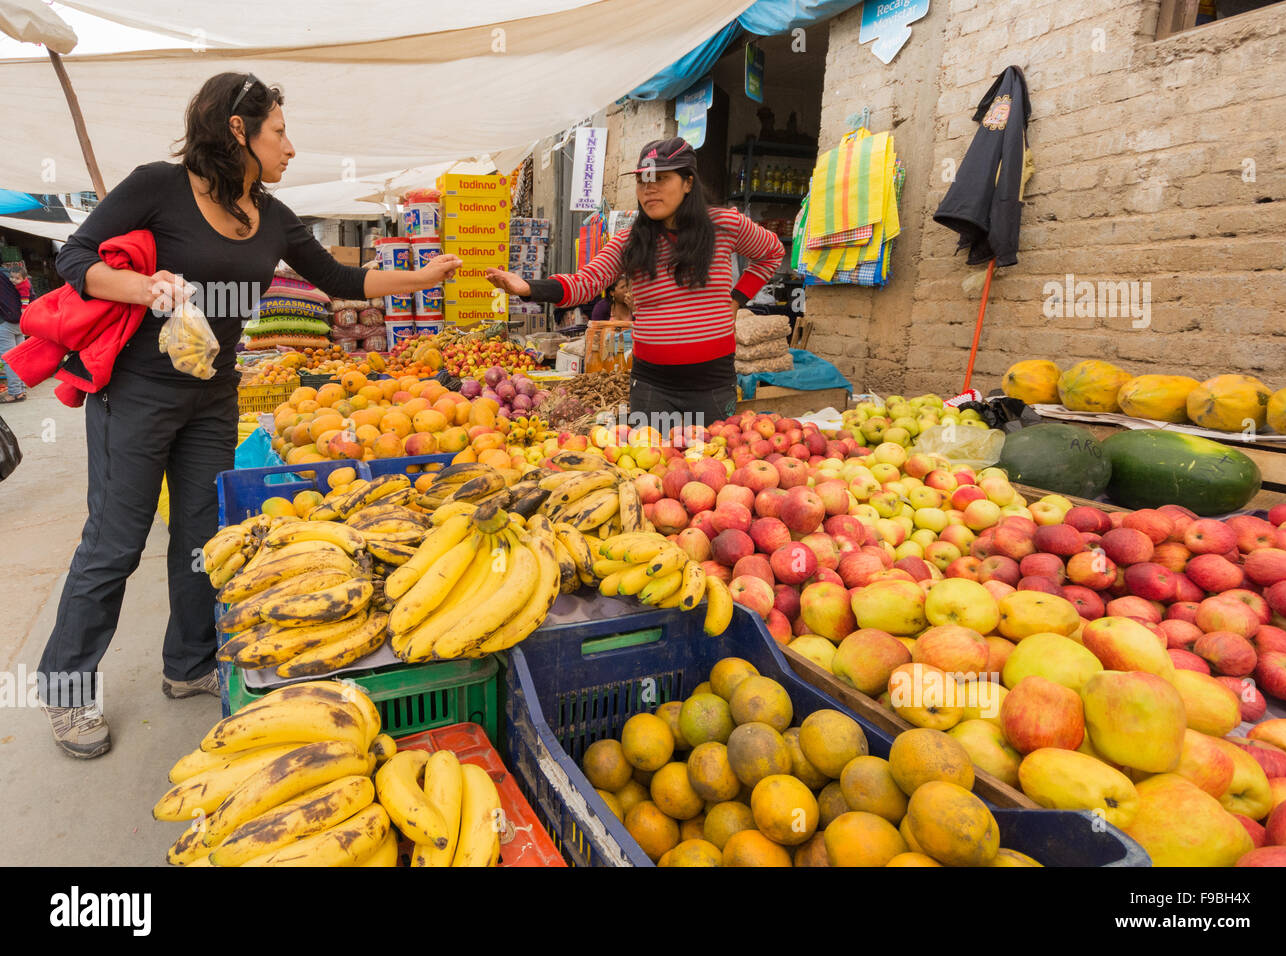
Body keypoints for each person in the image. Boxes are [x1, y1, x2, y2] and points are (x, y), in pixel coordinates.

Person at [38, 72, 461, 759]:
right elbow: (73, 257)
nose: (290, 147)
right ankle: (64, 690)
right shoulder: (158, 185)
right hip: (139, 394)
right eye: (279, 132)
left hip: (214, 394)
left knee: (203, 537)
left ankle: (189, 663)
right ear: (238, 130)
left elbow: (343, 281)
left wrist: (421, 276)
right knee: (114, 542)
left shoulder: (272, 213)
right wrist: (147, 289)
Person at [486, 137, 784, 428]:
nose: (649, 190)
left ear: (688, 182)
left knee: (711, 465)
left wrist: (736, 299)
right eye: (642, 181)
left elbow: (771, 253)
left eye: (661, 179)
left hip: (711, 382)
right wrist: (529, 288)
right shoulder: (630, 240)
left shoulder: (724, 225)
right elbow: (586, 282)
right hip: (653, 386)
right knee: (649, 468)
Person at [0, 265, 29, 403]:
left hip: (7, 323)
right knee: (19, 357)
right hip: (21, 323)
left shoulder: (5, 277)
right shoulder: (15, 276)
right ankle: (21, 390)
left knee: (10, 359)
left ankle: (15, 393)